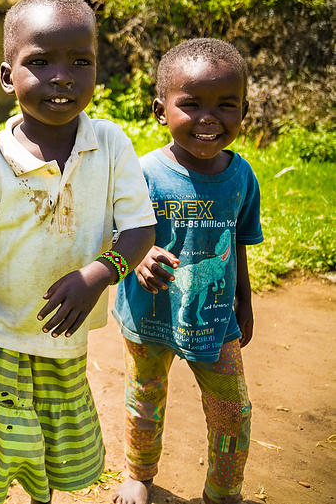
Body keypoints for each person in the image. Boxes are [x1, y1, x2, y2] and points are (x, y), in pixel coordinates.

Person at [0, 0, 156, 504]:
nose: (61, 76)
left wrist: (99, 273)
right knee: (0, 449)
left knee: (51, 446)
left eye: (80, 61)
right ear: (8, 77)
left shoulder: (111, 144)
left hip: (64, 338)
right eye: (40, 62)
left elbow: (138, 230)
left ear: (97, 69)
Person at [112, 38, 262, 504]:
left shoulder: (242, 176)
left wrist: (246, 299)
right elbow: (116, 233)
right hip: (148, 315)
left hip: (215, 319)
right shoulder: (140, 173)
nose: (208, 117)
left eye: (225, 105)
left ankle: (224, 491)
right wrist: (138, 257)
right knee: (145, 401)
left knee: (231, 410)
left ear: (244, 110)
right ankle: (139, 474)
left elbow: (238, 242)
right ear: (161, 110)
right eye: (191, 104)